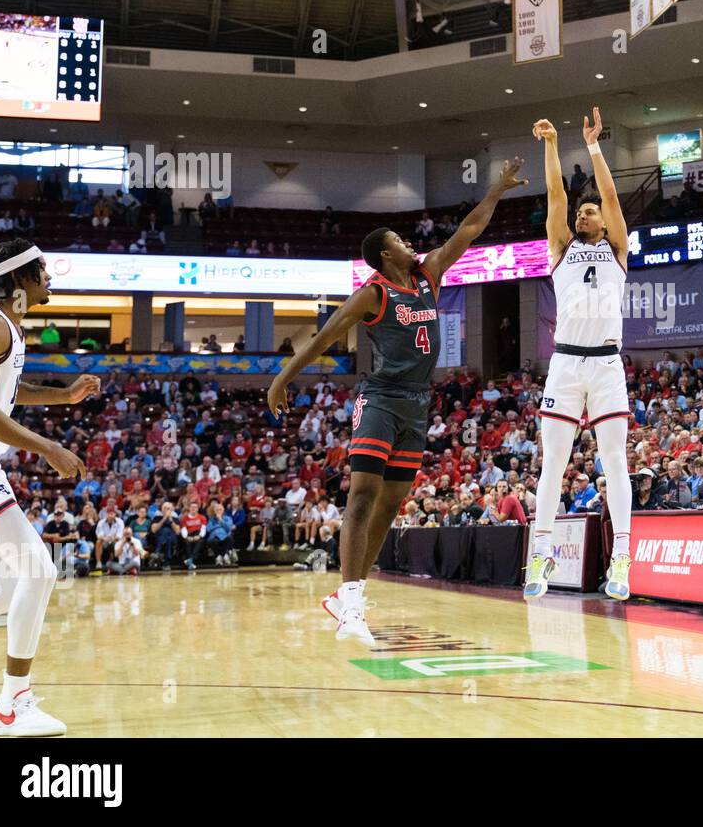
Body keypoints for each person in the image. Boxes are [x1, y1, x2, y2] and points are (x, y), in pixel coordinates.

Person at [266, 158, 526, 647]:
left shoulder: (428, 275)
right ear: (385, 256)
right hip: (382, 398)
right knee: (362, 494)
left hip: (417, 404)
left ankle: (349, 597)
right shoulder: (373, 293)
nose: (410, 244)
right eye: (400, 242)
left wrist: (496, 190)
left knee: (390, 505)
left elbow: (469, 230)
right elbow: (325, 337)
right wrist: (281, 380)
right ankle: (351, 604)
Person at [0, 239, 98, 735]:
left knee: (9, 585)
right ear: (19, 278)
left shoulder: (6, 329)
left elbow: (7, 388)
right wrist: (47, 447)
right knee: (39, 571)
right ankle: (10, 705)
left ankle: (12, 702)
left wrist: (64, 396)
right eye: (42, 270)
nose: (49, 277)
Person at [526, 109, 634, 603]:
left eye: (589, 212)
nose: (582, 214)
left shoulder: (617, 250)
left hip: (608, 363)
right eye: (580, 212)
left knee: (616, 462)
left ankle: (621, 559)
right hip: (567, 363)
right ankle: (540, 553)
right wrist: (550, 144)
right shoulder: (561, 249)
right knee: (553, 463)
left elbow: (610, 196)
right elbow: (555, 195)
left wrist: (592, 147)